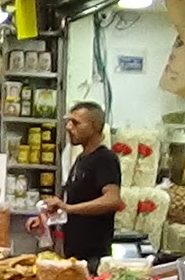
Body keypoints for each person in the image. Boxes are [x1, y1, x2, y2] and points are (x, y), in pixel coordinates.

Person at [31, 101, 125, 268]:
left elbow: (113, 200)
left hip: (93, 258)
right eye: (68, 121)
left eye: (75, 122)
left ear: (94, 126)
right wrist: (48, 217)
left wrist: (68, 207)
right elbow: (75, 201)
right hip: (74, 254)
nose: (68, 127)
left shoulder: (105, 159)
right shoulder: (81, 159)